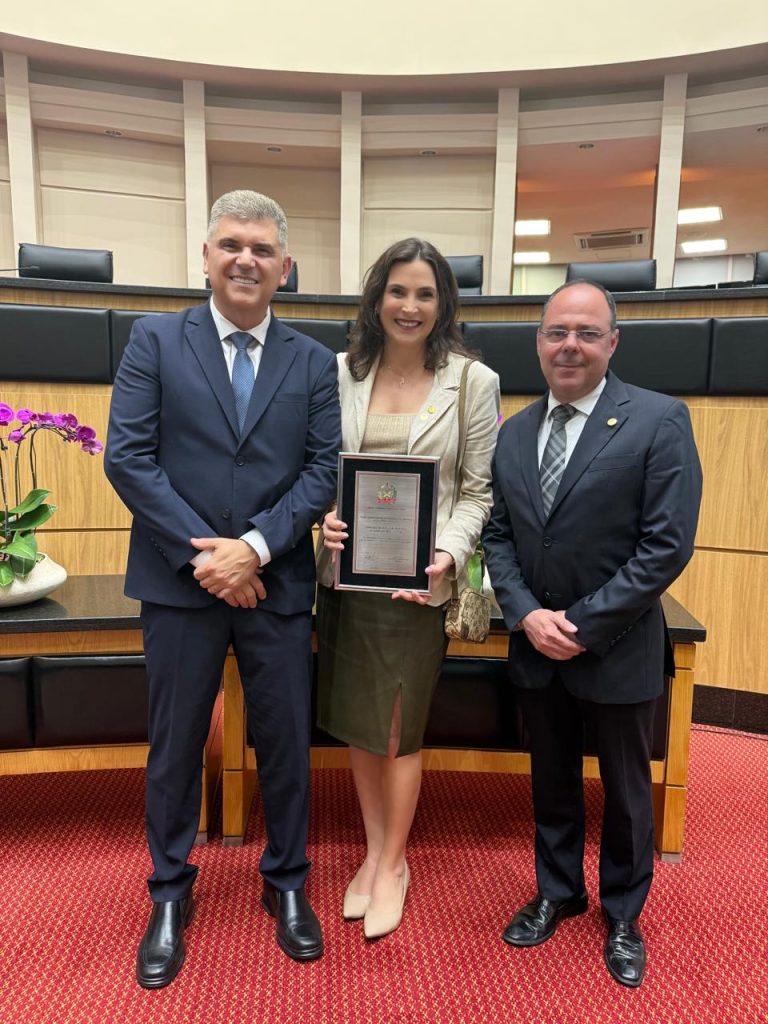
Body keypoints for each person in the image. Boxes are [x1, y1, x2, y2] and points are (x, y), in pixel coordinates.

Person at [105, 190, 341, 987]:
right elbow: (129, 459)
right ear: (204, 256)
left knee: (284, 745)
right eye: (231, 244)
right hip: (180, 584)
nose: (247, 259)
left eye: (263, 248)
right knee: (175, 746)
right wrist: (209, 557)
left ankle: (288, 884)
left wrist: (252, 549)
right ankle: (169, 893)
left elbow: (320, 473)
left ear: (286, 267)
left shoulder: (313, 360)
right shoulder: (154, 340)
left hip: (274, 581)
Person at [482, 279, 702, 987]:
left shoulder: (659, 419)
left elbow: (665, 546)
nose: (568, 345)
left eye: (585, 332)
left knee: (628, 792)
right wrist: (524, 613)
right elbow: (499, 535)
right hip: (536, 646)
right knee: (551, 782)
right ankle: (557, 891)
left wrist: (581, 623)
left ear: (612, 342)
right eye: (556, 332)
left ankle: (624, 912)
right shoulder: (514, 431)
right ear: (538, 342)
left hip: (614, 646)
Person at [317, 237, 500, 939]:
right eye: (398, 291)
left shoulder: (472, 381)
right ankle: (372, 851)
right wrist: (325, 525)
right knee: (363, 723)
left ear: (443, 304)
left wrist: (447, 557)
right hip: (348, 578)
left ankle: (394, 863)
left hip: (419, 585)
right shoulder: (339, 373)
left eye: (425, 293)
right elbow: (318, 472)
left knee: (398, 724)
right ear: (377, 298)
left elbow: (478, 492)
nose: (410, 306)